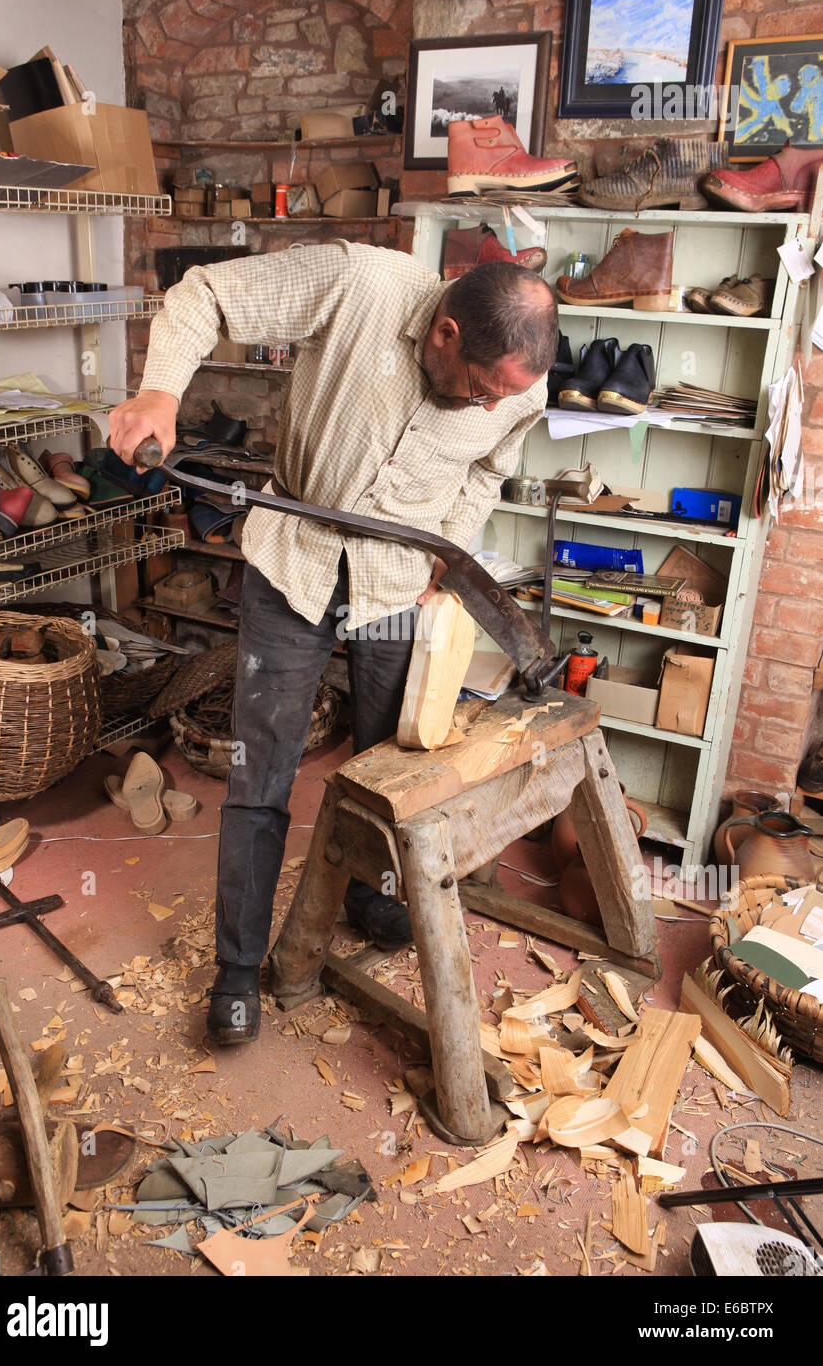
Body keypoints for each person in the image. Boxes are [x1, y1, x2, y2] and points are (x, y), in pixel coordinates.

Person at [110, 241, 557, 1045]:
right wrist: (159, 391)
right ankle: (238, 970)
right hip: (295, 565)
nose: (492, 408)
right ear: (446, 333)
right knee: (262, 774)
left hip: (396, 583)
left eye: (507, 398)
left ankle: (364, 894)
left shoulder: (517, 386)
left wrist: (447, 550)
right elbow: (203, 292)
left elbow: (490, 470)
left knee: (386, 766)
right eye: (482, 390)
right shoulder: (361, 282)